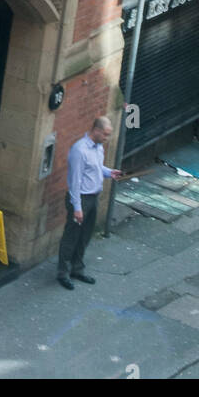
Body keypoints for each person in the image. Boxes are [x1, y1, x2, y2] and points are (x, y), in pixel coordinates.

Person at [56, 116, 122, 290]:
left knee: (85, 235)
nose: (107, 138)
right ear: (96, 130)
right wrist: (77, 207)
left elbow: (96, 168)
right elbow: (75, 181)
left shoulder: (98, 148)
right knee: (71, 236)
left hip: (93, 197)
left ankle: (77, 269)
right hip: (81, 199)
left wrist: (109, 172)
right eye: (106, 134)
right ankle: (63, 272)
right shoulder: (80, 150)